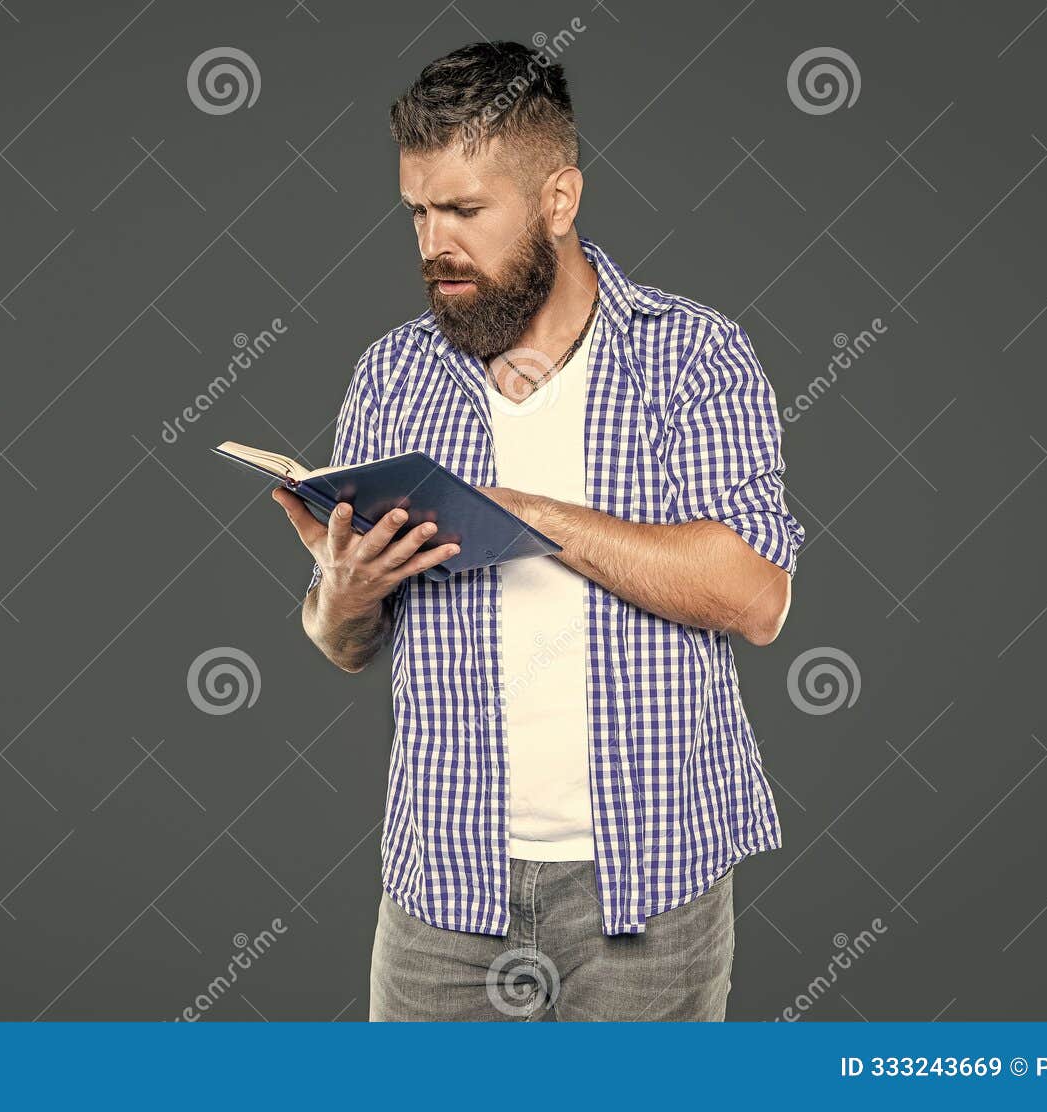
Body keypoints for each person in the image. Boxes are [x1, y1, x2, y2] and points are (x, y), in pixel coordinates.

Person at [272, 40, 804, 1021]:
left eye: (465, 210)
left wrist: (529, 511)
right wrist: (341, 598)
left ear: (557, 200)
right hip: (441, 890)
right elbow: (346, 648)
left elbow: (756, 596)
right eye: (419, 212)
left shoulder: (693, 358)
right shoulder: (390, 376)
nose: (436, 243)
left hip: (649, 882)